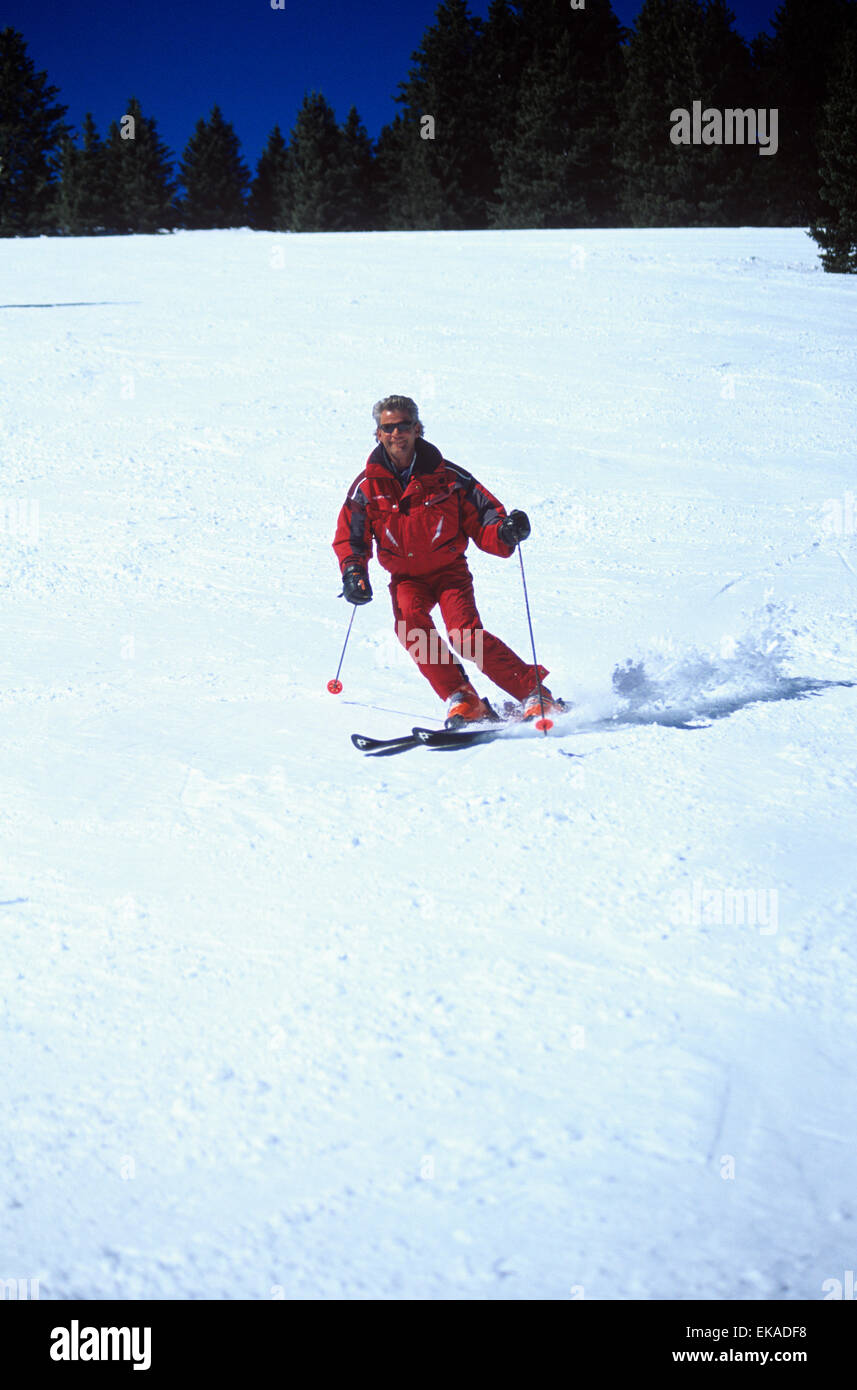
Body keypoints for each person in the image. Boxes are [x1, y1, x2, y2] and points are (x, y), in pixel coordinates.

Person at [333, 394, 563, 724]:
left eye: (404, 426)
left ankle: (535, 693)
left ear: (417, 429)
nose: (396, 433)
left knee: (465, 636)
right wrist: (353, 572)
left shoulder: (448, 477)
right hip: (407, 579)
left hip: (448, 573)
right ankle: (464, 698)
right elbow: (351, 537)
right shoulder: (368, 487)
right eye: (388, 427)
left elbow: (485, 517)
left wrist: (506, 532)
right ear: (378, 433)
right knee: (411, 627)